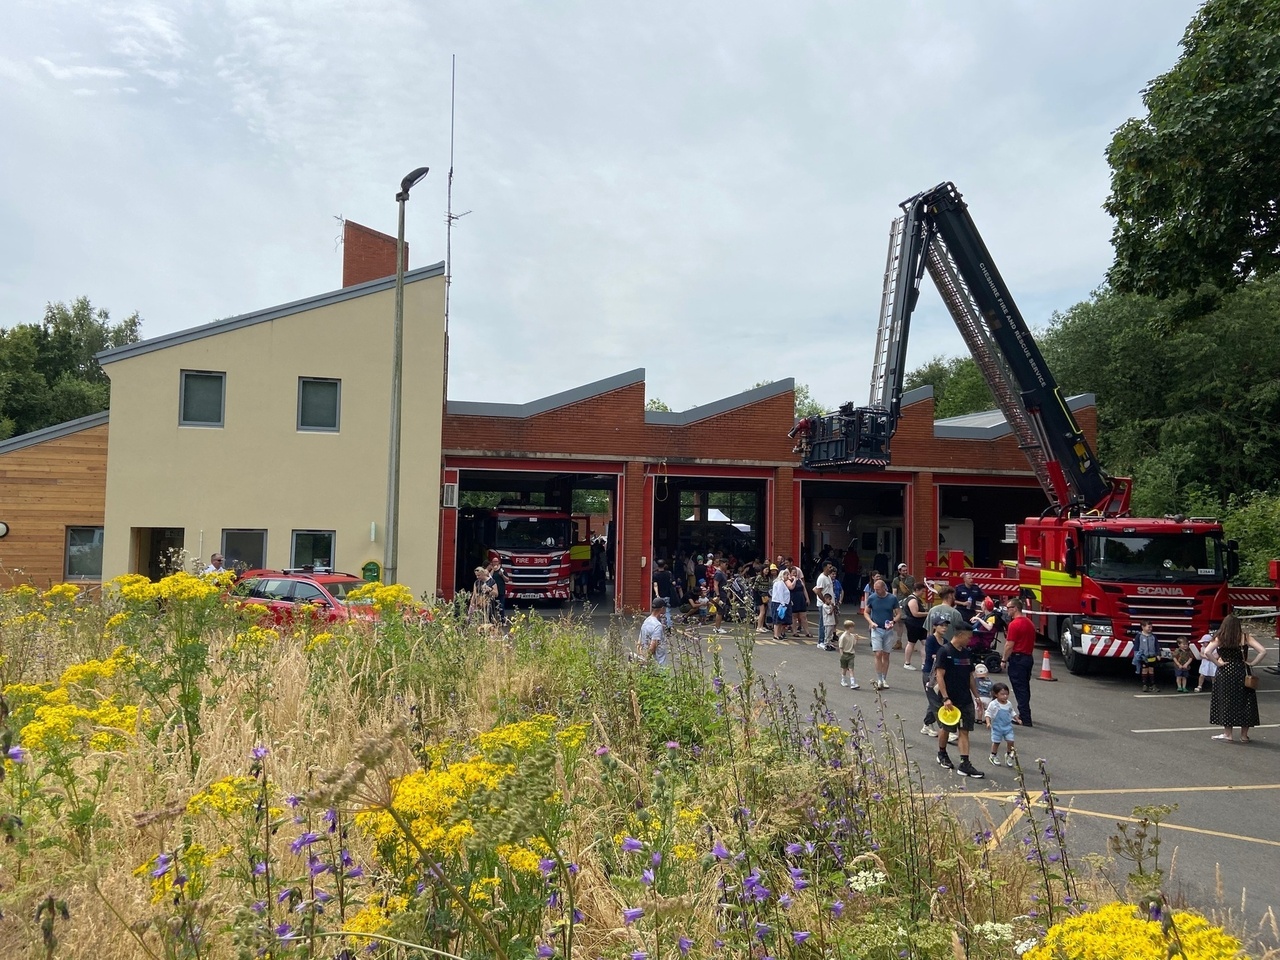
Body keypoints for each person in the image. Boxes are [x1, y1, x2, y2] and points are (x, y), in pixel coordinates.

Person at [1202, 614, 1266, 743]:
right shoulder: (1245, 637)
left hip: (1225, 672)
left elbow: (1207, 652)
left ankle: (1228, 734)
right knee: (1246, 701)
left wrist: (1218, 663)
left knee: (1227, 701)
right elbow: (1263, 651)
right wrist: (1252, 663)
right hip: (1242, 670)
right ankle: (1244, 735)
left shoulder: (1220, 637)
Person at [933, 623, 985, 778]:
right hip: (949, 700)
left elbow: (970, 676)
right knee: (946, 729)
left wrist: (976, 696)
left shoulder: (967, 654)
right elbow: (939, 676)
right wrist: (945, 698)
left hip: (965, 699)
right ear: (960, 635)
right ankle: (942, 753)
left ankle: (965, 763)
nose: (970, 640)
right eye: (969, 637)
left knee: (964, 731)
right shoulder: (945, 651)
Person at [1000, 597, 1036, 727]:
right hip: (1028, 658)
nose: (1007, 611)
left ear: (1015, 608)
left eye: (1009, 608)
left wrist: (1003, 659)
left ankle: (1025, 718)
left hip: (1018, 658)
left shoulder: (1014, 624)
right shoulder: (1029, 623)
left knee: (1019, 688)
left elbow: (1009, 645)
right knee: (1025, 687)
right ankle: (1024, 713)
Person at [863, 577, 900, 690]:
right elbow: (866, 612)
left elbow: (898, 613)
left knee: (886, 654)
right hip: (876, 629)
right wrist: (871, 622)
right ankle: (879, 679)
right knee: (878, 653)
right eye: (874, 589)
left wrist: (893, 621)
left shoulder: (892, 598)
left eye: (878, 589)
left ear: (884, 588)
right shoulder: (872, 598)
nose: (876, 591)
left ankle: (884, 678)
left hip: (888, 630)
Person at [984, 682, 1021, 767]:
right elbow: (988, 713)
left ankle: (1008, 755)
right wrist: (988, 722)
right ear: (996, 694)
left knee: (1011, 741)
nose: (1005, 696)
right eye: (1002, 694)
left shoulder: (1008, 703)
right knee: (996, 742)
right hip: (997, 727)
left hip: (1008, 727)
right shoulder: (994, 704)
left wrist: (1017, 719)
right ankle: (993, 755)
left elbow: (1012, 711)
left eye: (1006, 694)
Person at [901, 581, 928, 671]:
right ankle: (907, 663)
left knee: (925, 643)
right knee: (911, 643)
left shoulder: (917, 599)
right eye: (922, 591)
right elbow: (915, 613)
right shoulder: (912, 600)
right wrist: (927, 613)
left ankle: (924, 663)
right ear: (917, 590)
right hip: (913, 624)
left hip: (921, 625)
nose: (923, 593)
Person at [638, 597, 670, 668]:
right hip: (658, 664)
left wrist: (641, 656)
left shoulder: (646, 620)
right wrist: (646, 660)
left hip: (645, 658)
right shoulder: (658, 626)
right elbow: (653, 646)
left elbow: (639, 641)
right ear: (662, 608)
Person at [891, 562, 915, 651]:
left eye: (906, 570)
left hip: (910, 602)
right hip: (900, 603)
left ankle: (911, 643)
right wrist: (894, 604)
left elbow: (914, 590)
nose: (905, 571)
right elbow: (894, 592)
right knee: (900, 623)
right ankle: (899, 642)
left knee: (910, 623)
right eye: (903, 570)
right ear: (899, 571)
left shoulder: (911, 579)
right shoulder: (896, 580)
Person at [1133, 621, 1161, 693]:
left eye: (1151, 627)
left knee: (1151, 670)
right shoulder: (1139, 636)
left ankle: (1152, 685)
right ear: (1143, 627)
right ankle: (1145, 685)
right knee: (1144, 670)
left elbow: (1157, 646)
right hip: (1143, 657)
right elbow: (1136, 646)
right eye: (1148, 627)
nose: (1150, 629)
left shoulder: (1153, 636)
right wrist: (1136, 656)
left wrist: (1158, 654)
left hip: (1152, 656)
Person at [652, 558, 679, 630]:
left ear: (658, 566)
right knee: (667, 611)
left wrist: (657, 594)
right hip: (667, 595)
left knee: (658, 611)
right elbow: (674, 583)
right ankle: (669, 626)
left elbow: (655, 585)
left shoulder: (655, 574)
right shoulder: (669, 573)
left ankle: (658, 626)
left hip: (659, 596)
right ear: (664, 565)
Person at [813, 561, 835, 649]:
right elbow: (818, 591)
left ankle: (827, 641)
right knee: (823, 623)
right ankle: (820, 641)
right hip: (823, 605)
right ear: (825, 568)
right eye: (829, 567)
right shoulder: (821, 578)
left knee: (829, 624)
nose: (831, 569)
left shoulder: (828, 577)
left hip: (829, 604)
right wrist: (825, 602)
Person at [770, 565, 795, 640]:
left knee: (780, 621)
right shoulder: (780, 583)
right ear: (783, 575)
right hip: (779, 603)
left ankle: (779, 634)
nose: (788, 576)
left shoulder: (780, 583)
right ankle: (776, 635)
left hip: (780, 603)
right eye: (787, 575)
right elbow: (780, 594)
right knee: (778, 620)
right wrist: (783, 603)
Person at [789, 563, 812, 638]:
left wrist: (807, 598)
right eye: (793, 573)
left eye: (796, 573)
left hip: (801, 599)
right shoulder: (789, 581)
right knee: (794, 616)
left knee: (803, 616)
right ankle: (794, 632)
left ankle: (807, 632)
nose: (795, 574)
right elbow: (791, 587)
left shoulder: (800, 580)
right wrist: (794, 580)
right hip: (793, 599)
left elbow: (804, 589)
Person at [836, 618, 860, 689]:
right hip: (845, 654)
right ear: (849, 628)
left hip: (851, 655)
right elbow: (840, 647)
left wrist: (856, 639)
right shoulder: (843, 637)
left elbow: (854, 645)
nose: (853, 629)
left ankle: (853, 683)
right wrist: (842, 656)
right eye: (852, 627)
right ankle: (843, 680)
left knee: (851, 669)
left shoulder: (852, 636)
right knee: (844, 669)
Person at [488, 557, 508, 625]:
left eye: (496, 561)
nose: (495, 563)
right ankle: (492, 621)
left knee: (501, 606)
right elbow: (489, 578)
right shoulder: (491, 570)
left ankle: (502, 621)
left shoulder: (502, 570)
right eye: (494, 561)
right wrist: (493, 570)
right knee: (492, 607)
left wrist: (502, 575)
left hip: (501, 591)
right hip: (492, 592)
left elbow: (507, 580)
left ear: (498, 562)